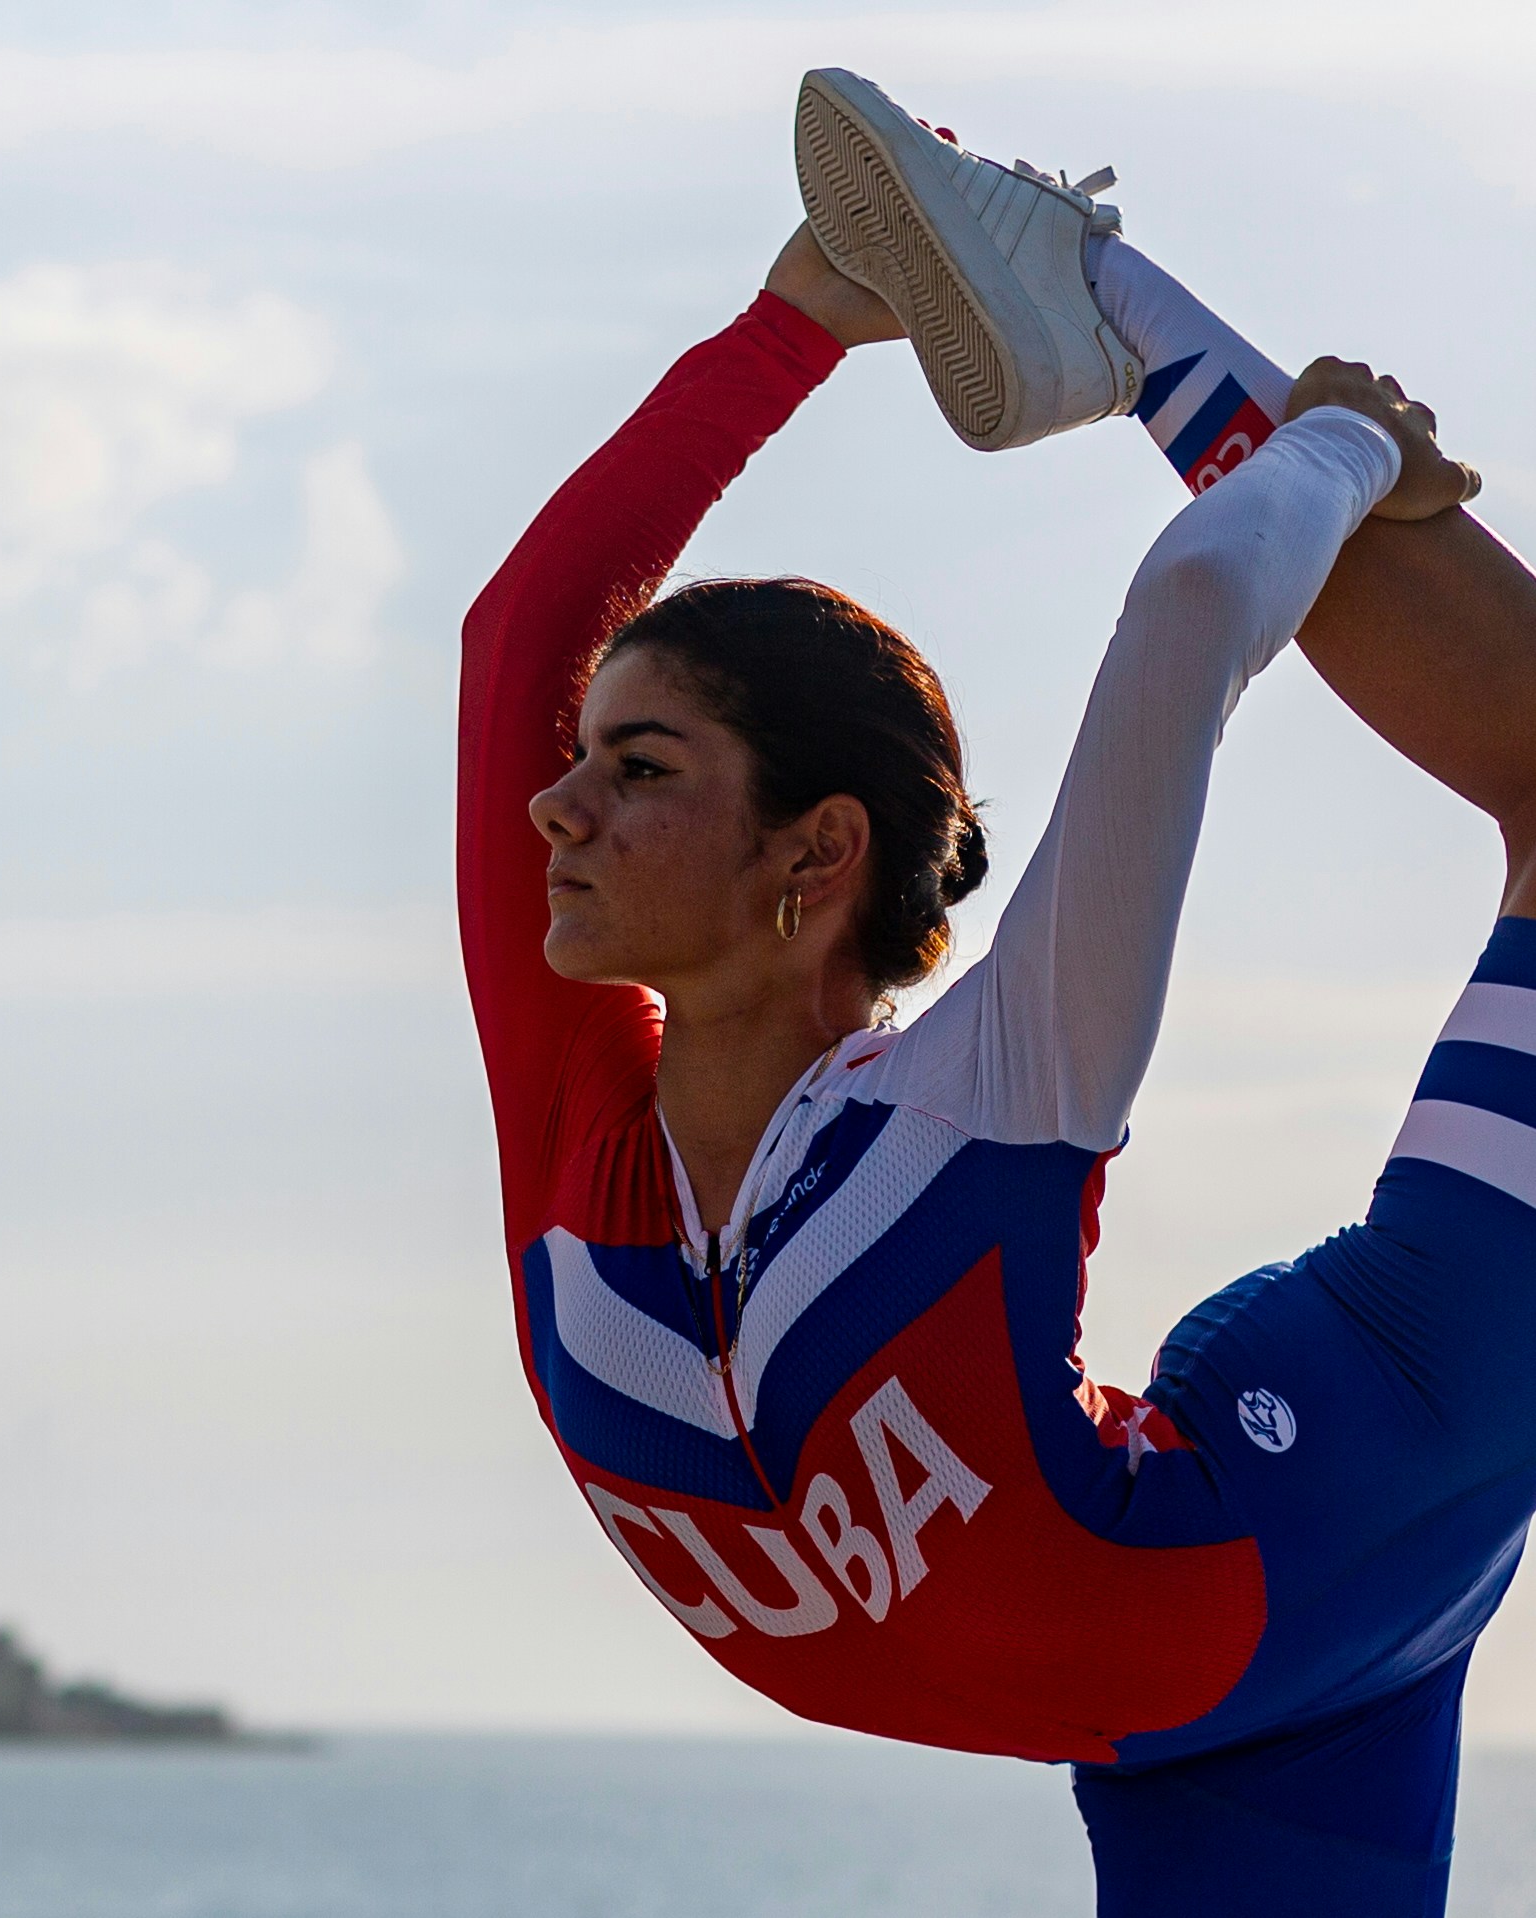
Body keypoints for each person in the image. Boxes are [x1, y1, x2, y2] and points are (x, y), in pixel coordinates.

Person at [463, 68, 1528, 1914]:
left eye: (637, 768)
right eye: (591, 762)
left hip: (1353, 1462)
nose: (553, 803)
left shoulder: (973, 1090)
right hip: (1201, 1698)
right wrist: (802, 309)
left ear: (816, 861)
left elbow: (1194, 617)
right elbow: (513, 642)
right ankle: (1059, 289)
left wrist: (1342, 449)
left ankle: (1101, 305)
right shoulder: (579, 1128)